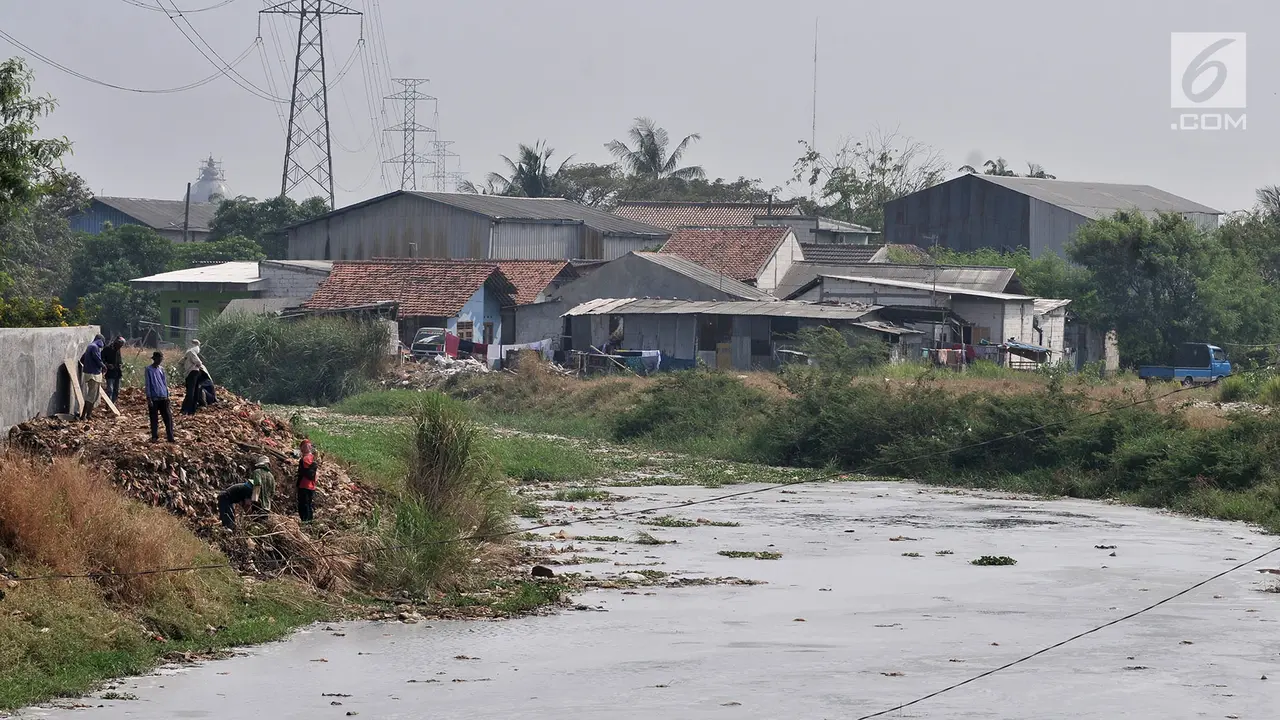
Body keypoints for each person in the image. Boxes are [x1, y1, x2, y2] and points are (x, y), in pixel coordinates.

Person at [217, 456, 275, 530]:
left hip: (256, 500)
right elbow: (272, 492)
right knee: (261, 525)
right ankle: (231, 528)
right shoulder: (271, 477)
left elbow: (257, 484)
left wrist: (254, 500)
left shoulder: (256, 473)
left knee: (227, 514)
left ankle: (230, 528)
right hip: (266, 505)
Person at [144, 351, 175, 443]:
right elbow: (148, 384)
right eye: (159, 359)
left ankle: (170, 437)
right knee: (154, 418)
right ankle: (154, 436)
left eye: (161, 359)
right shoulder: (148, 369)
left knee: (168, 418)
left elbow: (164, 383)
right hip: (154, 398)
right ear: (154, 359)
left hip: (163, 397)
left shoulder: (161, 369)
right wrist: (149, 397)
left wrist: (167, 395)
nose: (160, 361)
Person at [78, 335, 106, 420]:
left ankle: (89, 415)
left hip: (91, 373)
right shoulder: (94, 347)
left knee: (95, 395)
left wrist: (88, 365)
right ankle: (84, 416)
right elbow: (97, 359)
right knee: (91, 396)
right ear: (100, 340)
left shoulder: (89, 346)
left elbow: (82, 359)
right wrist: (103, 366)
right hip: (93, 374)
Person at [179, 339, 207, 415]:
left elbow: (181, 362)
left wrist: (186, 365)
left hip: (191, 373)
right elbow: (198, 362)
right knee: (193, 392)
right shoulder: (192, 352)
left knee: (192, 392)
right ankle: (190, 410)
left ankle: (187, 410)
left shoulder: (189, 352)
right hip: (194, 373)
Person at [296, 439, 319, 522]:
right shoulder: (313, 458)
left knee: (303, 505)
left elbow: (305, 472)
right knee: (309, 505)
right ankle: (309, 522)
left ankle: (305, 522)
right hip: (312, 486)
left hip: (304, 485)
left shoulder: (305, 459)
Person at [102, 337, 125, 404]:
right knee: (110, 390)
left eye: (121, 346)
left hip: (117, 373)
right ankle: (108, 405)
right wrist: (107, 365)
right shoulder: (107, 349)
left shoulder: (118, 350)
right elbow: (102, 359)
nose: (120, 347)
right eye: (119, 345)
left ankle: (113, 404)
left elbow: (119, 360)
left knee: (116, 390)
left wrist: (121, 364)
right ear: (116, 343)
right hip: (110, 373)